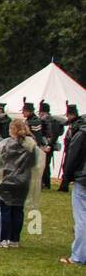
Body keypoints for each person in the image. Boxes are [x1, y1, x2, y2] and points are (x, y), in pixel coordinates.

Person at [0, 117, 38, 248]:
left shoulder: (5, 144)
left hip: (5, 180)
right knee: (17, 210)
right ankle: (14, 239)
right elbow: (34, 163)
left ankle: (1, 238)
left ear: (12, 129)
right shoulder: (31, 145)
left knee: (3, 210)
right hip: (23, 182)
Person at [60, 105, 86, 266]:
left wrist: (67, 176)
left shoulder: (82, 133)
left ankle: (78, 255)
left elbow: (72, 156)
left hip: (83, 180)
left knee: (82, 218)